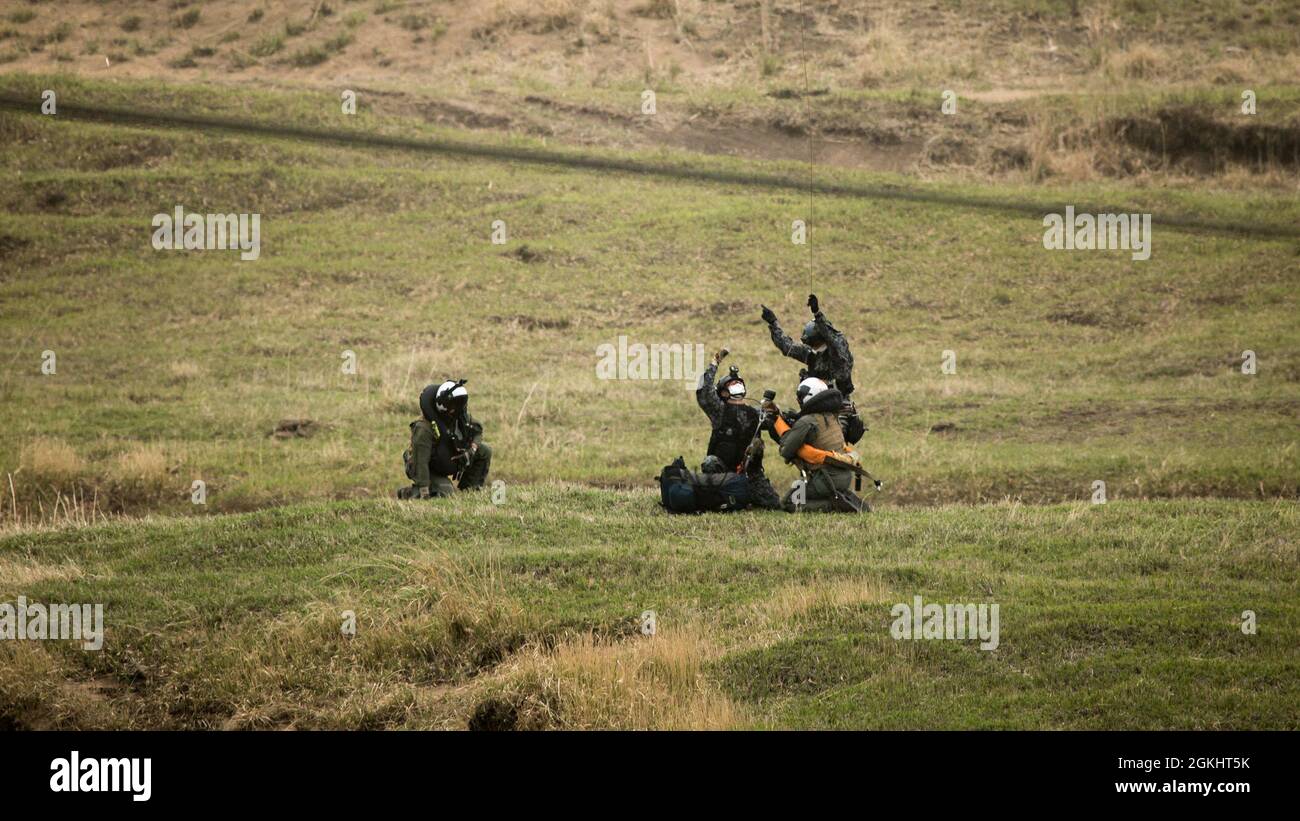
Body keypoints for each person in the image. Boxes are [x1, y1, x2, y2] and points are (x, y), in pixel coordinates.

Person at [760, 293, 864, 443]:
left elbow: (834, 339)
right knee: (791, 431)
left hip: (838, 413)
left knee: (830, 443)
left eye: (814, 344)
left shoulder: (840, 357)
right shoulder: (812, 354)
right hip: (813, 411)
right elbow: (787, 347)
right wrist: (773, 323)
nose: (812, 348)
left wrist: (817, 314)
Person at [694, 348, 782, 510]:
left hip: (751, 475)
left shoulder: (757, 413)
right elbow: (703, 391)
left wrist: (776, 411)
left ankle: (741, 498)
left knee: (773, 505)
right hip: (722, 477)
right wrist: (714, 363)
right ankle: (729, 498)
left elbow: (780, 426)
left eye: (738, 383)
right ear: (724, 393)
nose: (736, 385)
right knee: (711, 464)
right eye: (732, 384)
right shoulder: (720, 411)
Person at [764, 377, 866, 513]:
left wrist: (778, 423)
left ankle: (832, 506)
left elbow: (786, 451)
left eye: (800, 396)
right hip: (844, 477)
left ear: (809, 397)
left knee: (789, 503)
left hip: (826, 480)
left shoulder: (807, 421)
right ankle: (839, 500)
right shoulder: (832, 417)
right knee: (801, 490)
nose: (798, 399)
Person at [397, 379, 492, 499]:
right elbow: (420, 462)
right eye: (454, 405)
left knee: (485, 451)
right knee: (446, 493)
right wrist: (424, 490)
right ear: (444, 406)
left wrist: (471, 450)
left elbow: (477, 432)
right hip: (426, 466)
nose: (457, 408)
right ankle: (409, 493)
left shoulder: (459, 417)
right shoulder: (424, 429)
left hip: (447, 459)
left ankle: (470, 491)